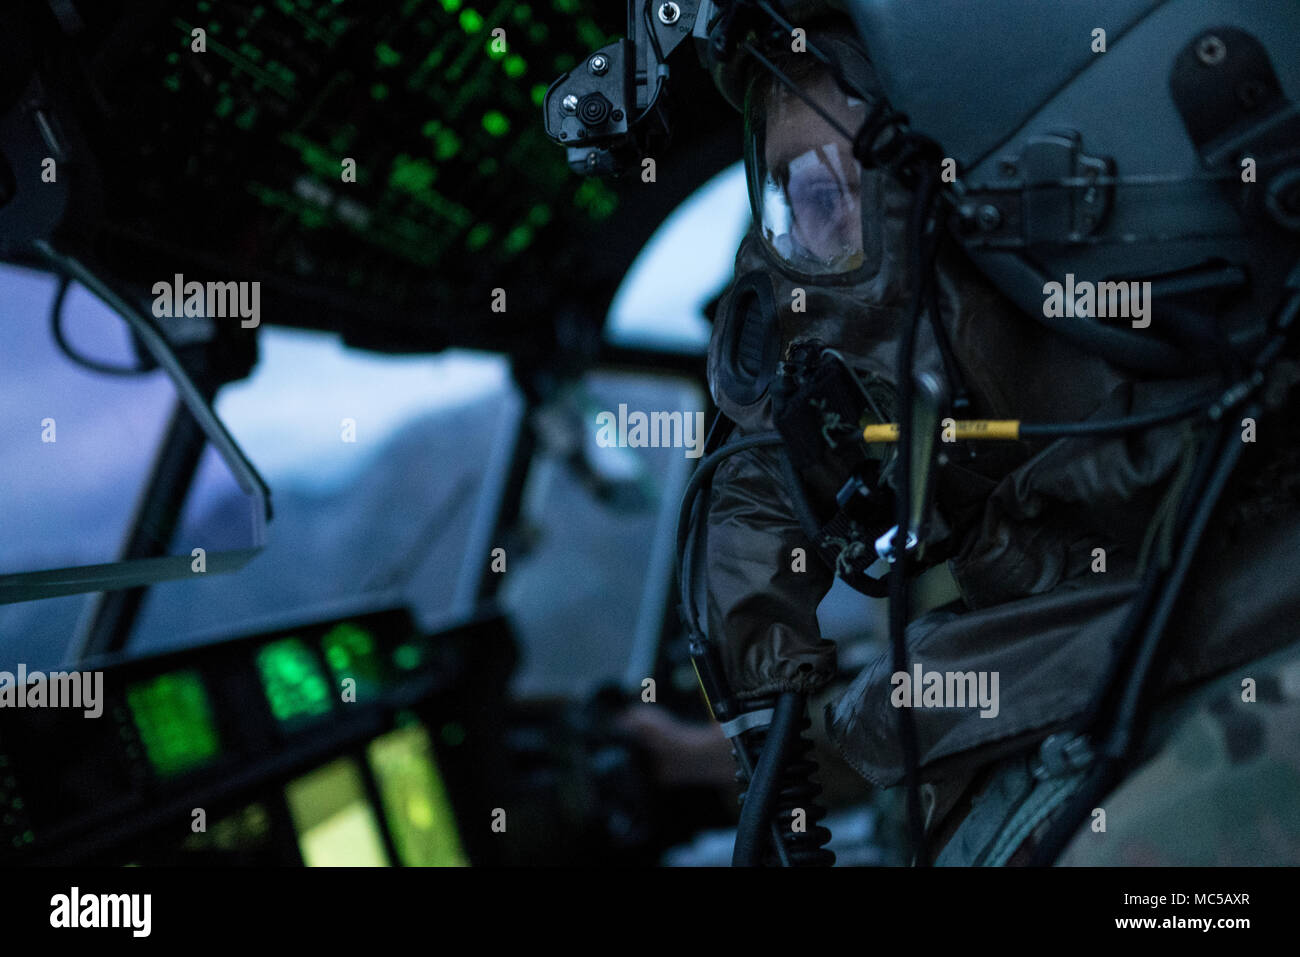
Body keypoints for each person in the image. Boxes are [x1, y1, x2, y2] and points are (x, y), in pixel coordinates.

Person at [696, 6, 1300, 864]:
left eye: (833, 199)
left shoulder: (1186, 820)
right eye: (799, 207)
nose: (782, 311)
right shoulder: (1083, 637)